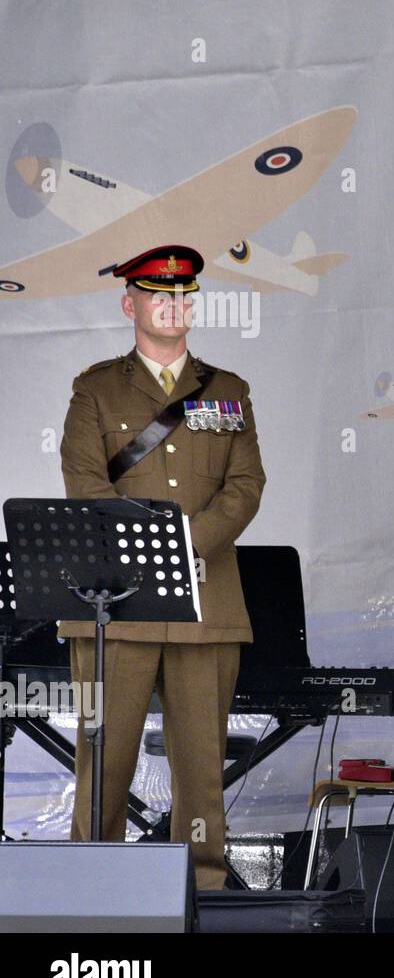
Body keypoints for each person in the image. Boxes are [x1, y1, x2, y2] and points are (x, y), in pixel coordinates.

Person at [59, 245, 265, 890]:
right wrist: (147, 556)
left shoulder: (228, 391)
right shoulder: (95, 388)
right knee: (105, 758)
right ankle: (96, 885)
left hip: (207, 598)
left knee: (202, 764)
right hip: (114, 604)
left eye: (183, 296)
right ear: (132, 304)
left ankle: (202, 885)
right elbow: (85, 485)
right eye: (158, 296)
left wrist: (183, 549)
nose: (173, 306)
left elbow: (246, 486)